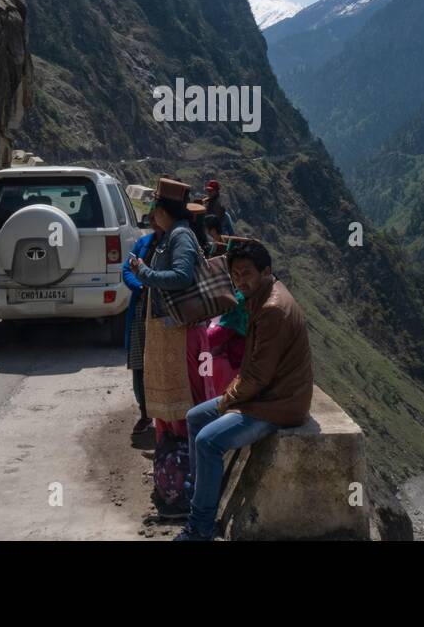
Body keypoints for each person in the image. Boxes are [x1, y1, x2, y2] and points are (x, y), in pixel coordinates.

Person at [176, 239, 313, 541]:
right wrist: (231, 398)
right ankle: (203, 501)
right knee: (196, 417)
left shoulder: (273, 309)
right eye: (236, 275)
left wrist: (228, 400)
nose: (241, 281)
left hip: (278, 404)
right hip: (264, 395)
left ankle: (199, 529)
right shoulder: (261, 297)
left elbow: (258, 377)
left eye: (247, 273)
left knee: (208, 441)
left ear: (266, 271)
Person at [128, 177, 206, 518]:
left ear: (163, 211)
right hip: (166, 333)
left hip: (180, 335)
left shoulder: (181, 236)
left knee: (183, 403)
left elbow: (182, 276)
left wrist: (144, 273)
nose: (151, 215)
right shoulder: (168, 237)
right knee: (169, 406)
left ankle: (184, 486)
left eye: (155, 209)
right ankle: (171, 479)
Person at [123, 226, 160, 436]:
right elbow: (127, 268)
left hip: (163, 311)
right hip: (140, 309)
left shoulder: (176, 243)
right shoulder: (142, 243)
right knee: (139, 364)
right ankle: (145, 412)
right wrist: (140, 286)